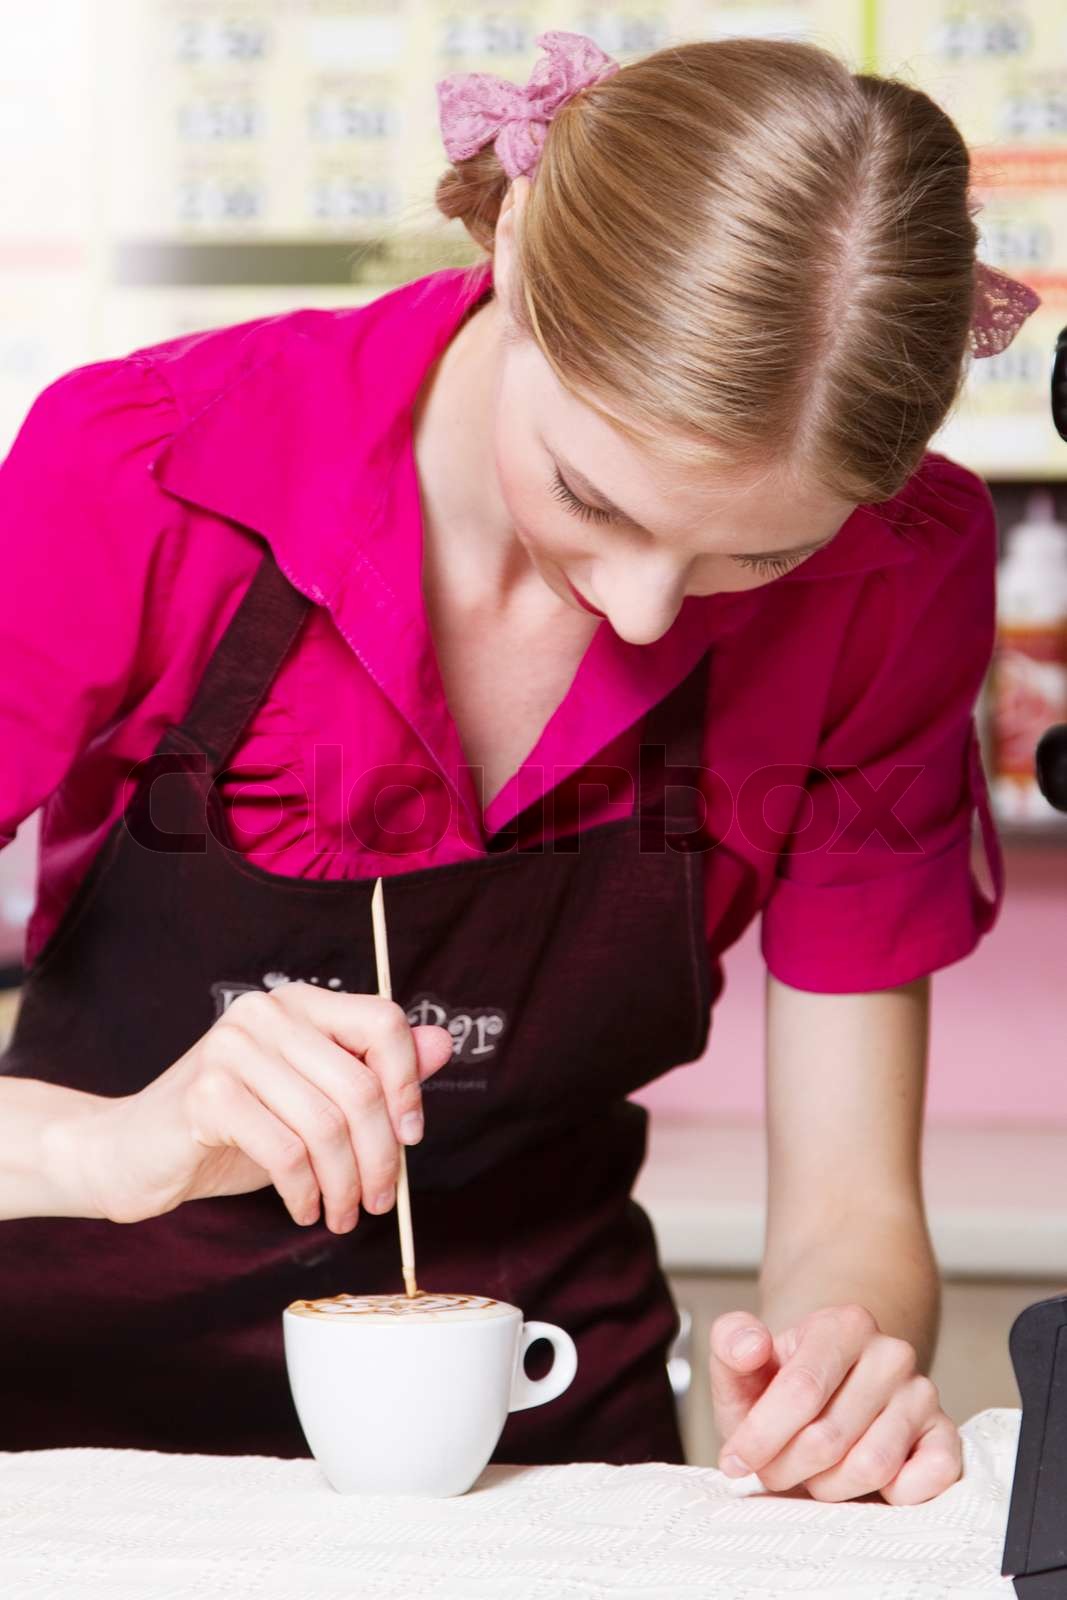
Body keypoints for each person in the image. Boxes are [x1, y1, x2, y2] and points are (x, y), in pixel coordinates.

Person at [0, 31, 1038, 1502]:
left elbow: (851, 1210)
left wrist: (836, 1378)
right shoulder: (146, 472)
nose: (642, 613)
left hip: (550, 1464)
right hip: (65, 1448)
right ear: (513, 253)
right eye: (587, 493)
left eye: (762, 553)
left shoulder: (899, 573)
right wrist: (108, 1150)